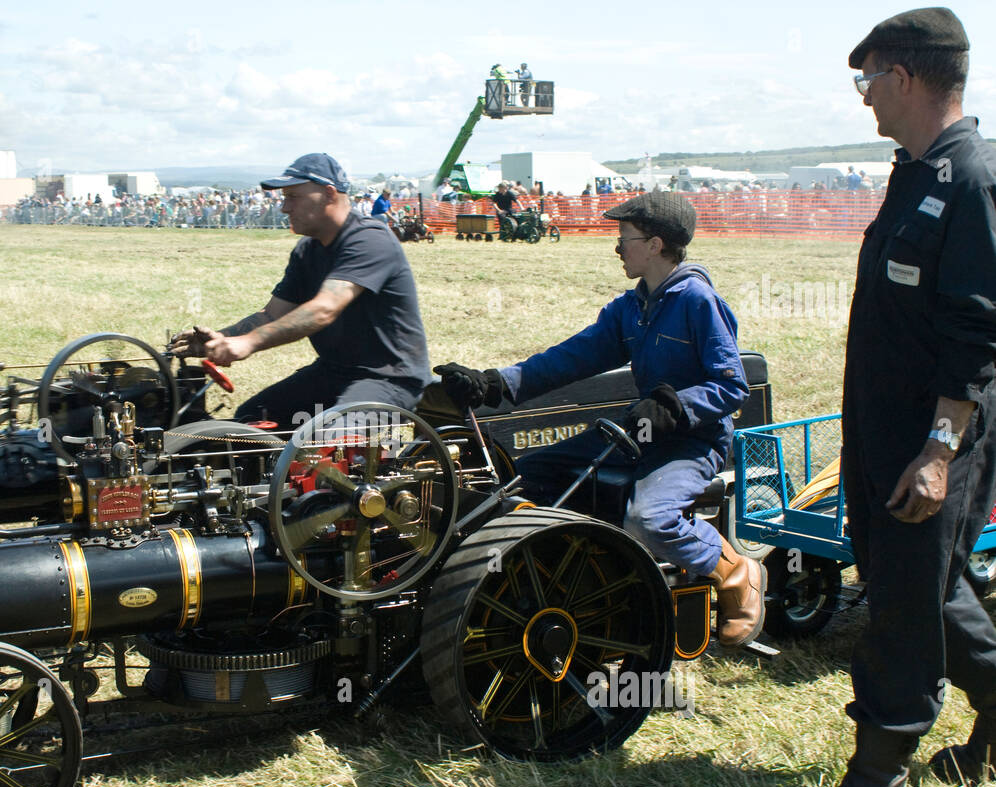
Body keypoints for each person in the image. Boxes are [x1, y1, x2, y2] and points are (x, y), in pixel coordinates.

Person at [785, 7, 996, 787]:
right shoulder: (915, 172)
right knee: (930, 585)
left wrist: (939, 451)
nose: (864, 95)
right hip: (885, 431)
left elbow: (978, 334)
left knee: (904, 607)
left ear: (904, 77)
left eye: (868, 77)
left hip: (931, 440)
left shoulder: (973, 177)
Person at [435, 192, 766, 646]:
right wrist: (494, 384)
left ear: (654, 244)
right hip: (641, 432)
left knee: (649, 519)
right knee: (521, 477)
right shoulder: (632, 308)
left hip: (692, 442)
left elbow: (732, 386)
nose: (617, 248)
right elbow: (571, 358)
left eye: (623, 239)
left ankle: (735, 571)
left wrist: (674, 407)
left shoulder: (697, 300)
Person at [168, 153, 429, 428]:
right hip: (334, 372)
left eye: (293, 197)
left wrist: (248, 342)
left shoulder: (369, 239)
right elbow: (272, 315)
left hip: (389, 378)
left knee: (329, 438)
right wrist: (220, 339)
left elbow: (323, 309)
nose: (284, 208)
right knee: (250, 419)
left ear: (329, 194)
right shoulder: (308, 249)